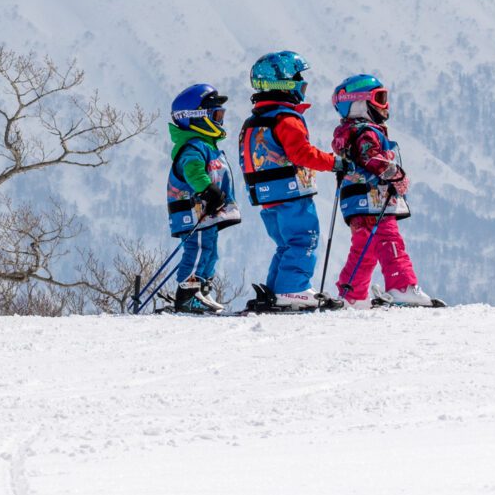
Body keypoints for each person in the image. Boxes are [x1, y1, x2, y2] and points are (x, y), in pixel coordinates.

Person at [237, 51, 346, 312]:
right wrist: (334, 162)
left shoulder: (254, 122)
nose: (303, 86)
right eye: (299, 79)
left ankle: (277, 290)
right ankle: (293, 289)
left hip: (267, 197)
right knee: (303, 239)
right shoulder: (286, 119)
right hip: (291, 193)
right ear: (285, 83)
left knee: (286, 244)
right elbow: (302, 153)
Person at [329, 74, 443, 308]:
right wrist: (396, 174)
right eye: (379, 98)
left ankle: (352, 295)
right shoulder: (366, 132)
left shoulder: (350, 133)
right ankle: (402, 287)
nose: (385, 105)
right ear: (359, 104)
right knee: (390, 241)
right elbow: (372, 158)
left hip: (356, 202)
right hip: (374, 199)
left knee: (364, 248)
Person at [164, 83, 240, 314]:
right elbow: (193, 171)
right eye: (215, 115)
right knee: (197, 249)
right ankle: (187, 294)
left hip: (206, 213)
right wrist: (208, 190)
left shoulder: (207, 146)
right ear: (197, 118)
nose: (220, 120)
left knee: (210, 251)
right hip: (193, 212)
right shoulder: (193, 148)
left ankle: (201, 290)